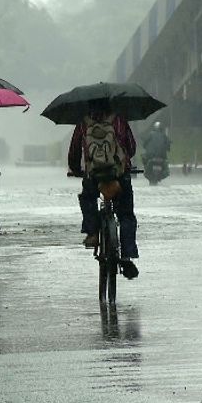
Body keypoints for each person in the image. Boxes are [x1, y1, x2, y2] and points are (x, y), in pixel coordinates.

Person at [67, 100, 139, 280]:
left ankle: (92, 233)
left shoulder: (83, 123)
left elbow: (74, 151)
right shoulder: (120, 120)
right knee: (126, 215)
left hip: (94, 176)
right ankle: (127, 254)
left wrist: (76, 169)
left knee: (87, 198)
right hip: (119, 176)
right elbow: (131, 148)